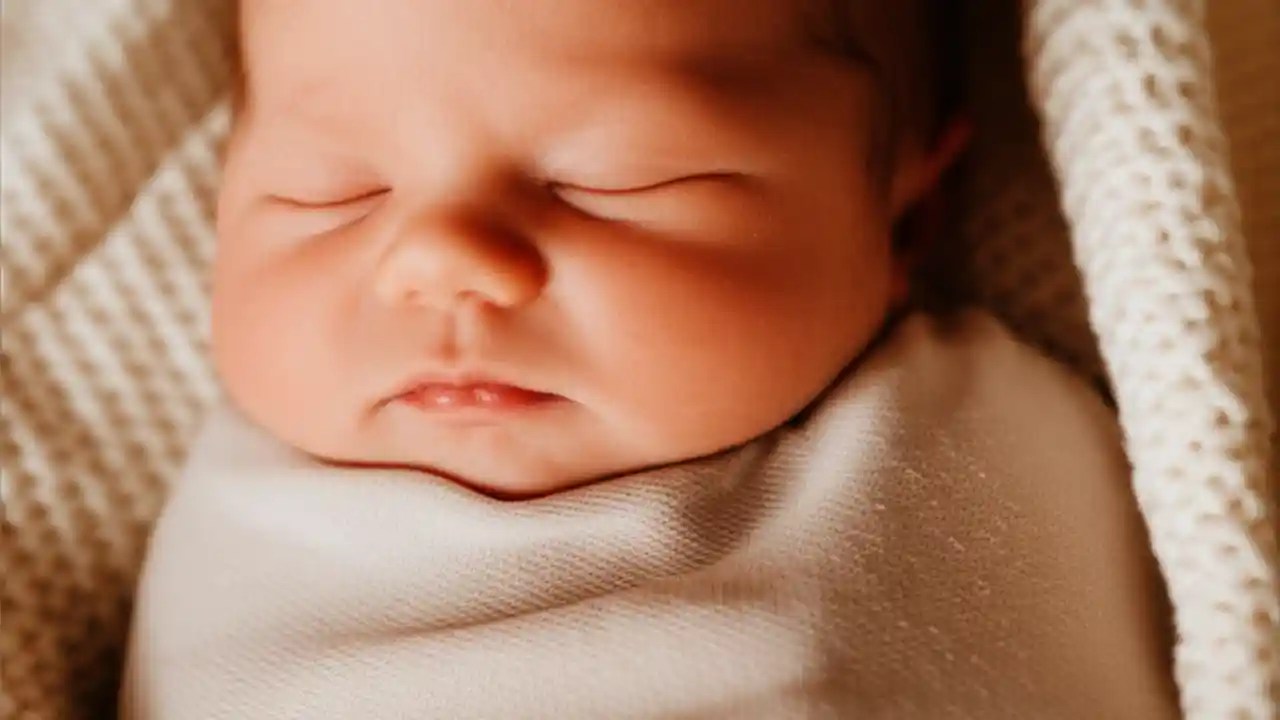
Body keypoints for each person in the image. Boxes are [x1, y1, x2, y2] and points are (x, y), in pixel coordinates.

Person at [121, 2, 1179, 717]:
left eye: (617, 180)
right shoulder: (169, 492)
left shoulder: (987, 441)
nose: (438, 261)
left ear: (905, 218)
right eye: (329, 190)